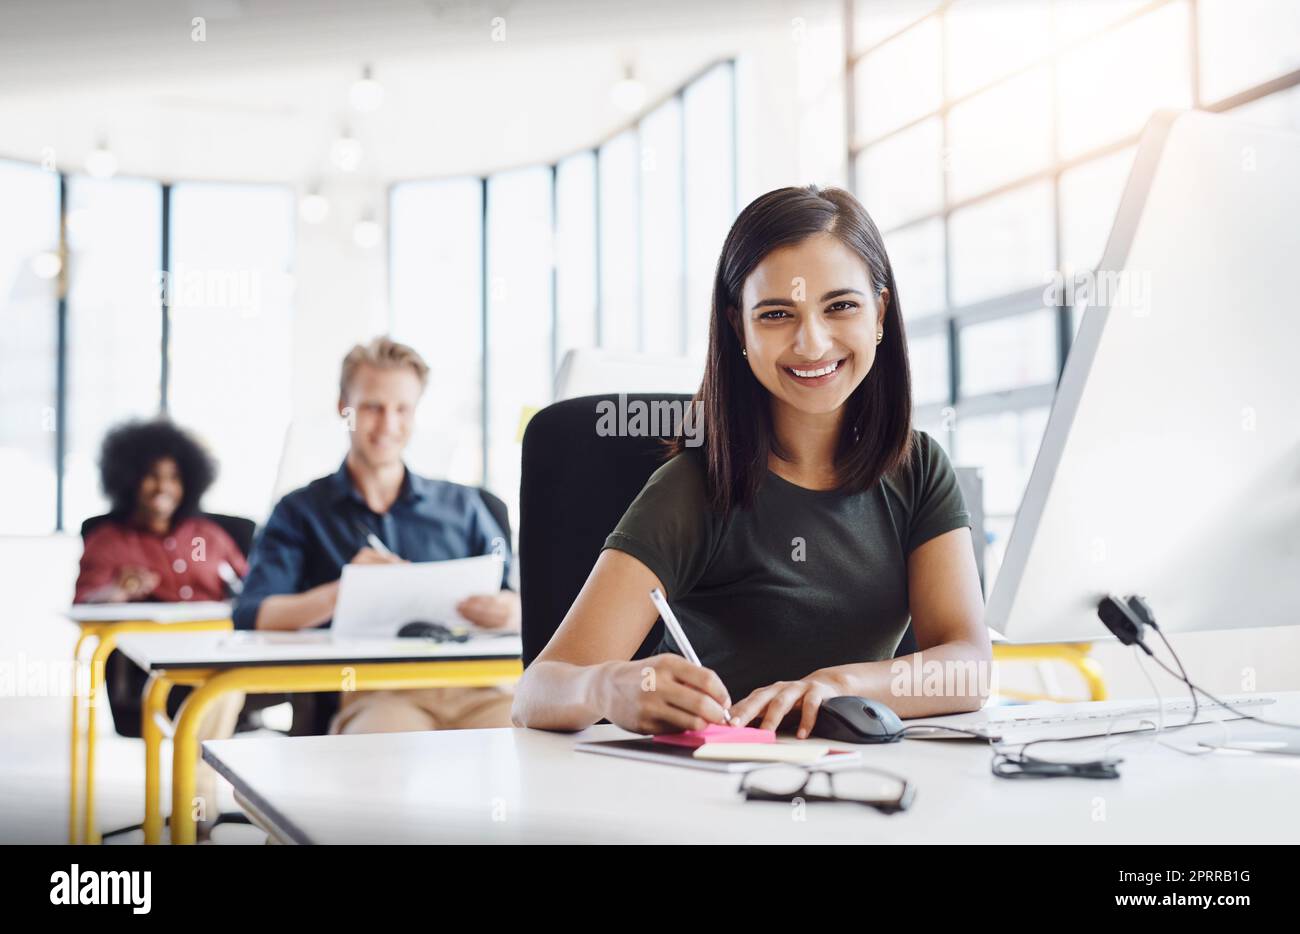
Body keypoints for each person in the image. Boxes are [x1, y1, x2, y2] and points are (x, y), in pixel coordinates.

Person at [512, 185, 991, 735]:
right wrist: (606, 686)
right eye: (776, 314)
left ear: (880, 313)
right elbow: (536, 692)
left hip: (867, 783)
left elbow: (969, 671)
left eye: (840, 306)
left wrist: (838, 687)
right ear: (739, 328)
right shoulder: (696, 486)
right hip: (723, 787)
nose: (811, 343)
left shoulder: (919, 467)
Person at [233, 336, 518, 734]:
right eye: (372, 408)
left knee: (529, 746)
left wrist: (509, 611)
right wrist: (345, 590)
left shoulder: (466, 506)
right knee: (387, 756)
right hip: (373, 692)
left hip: (477, 688)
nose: (388, 425)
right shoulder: (300, 512)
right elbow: (254, 616)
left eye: (403, 409)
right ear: (343, 408)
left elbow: (519, 602)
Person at [73, 418, 246, 828]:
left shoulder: (208, 534)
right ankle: (199, 807)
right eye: (151, 476)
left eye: (173, 477)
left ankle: (195, 806)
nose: (163, 487)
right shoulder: (109, 539)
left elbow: (250, 586)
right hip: (149, 670)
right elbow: (84, 601)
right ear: (129, 479)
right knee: (221, 689)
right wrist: (116, 591)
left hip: (219, 654)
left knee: (223, 685)